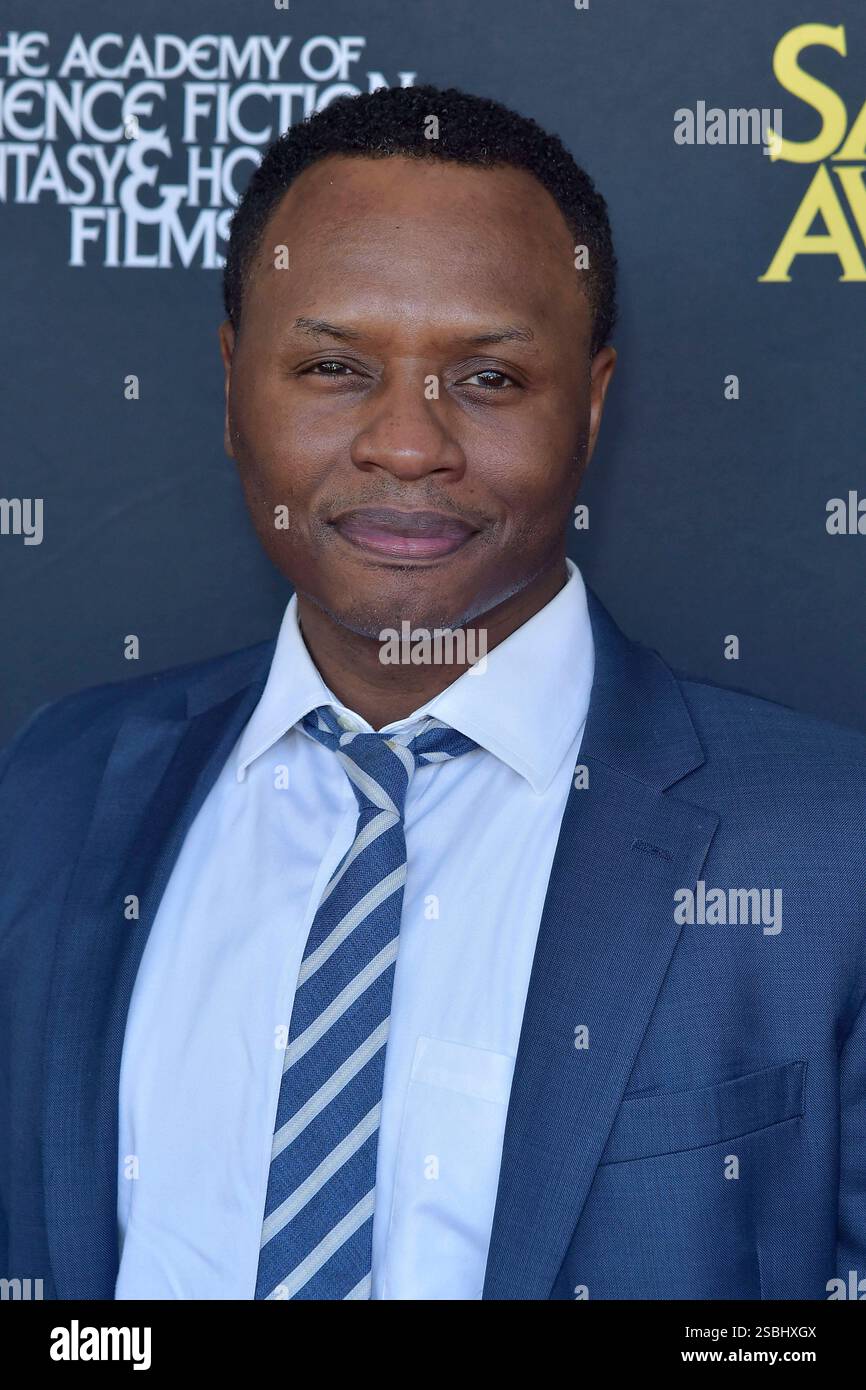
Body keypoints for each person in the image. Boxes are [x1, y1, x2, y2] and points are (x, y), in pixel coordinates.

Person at [1, 85, 864, 1302]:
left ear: (593, 402)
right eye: (333, 365)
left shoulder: (833, 848)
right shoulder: (55, 784)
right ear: (232, 382)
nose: (408, 445)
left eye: (490, 379)